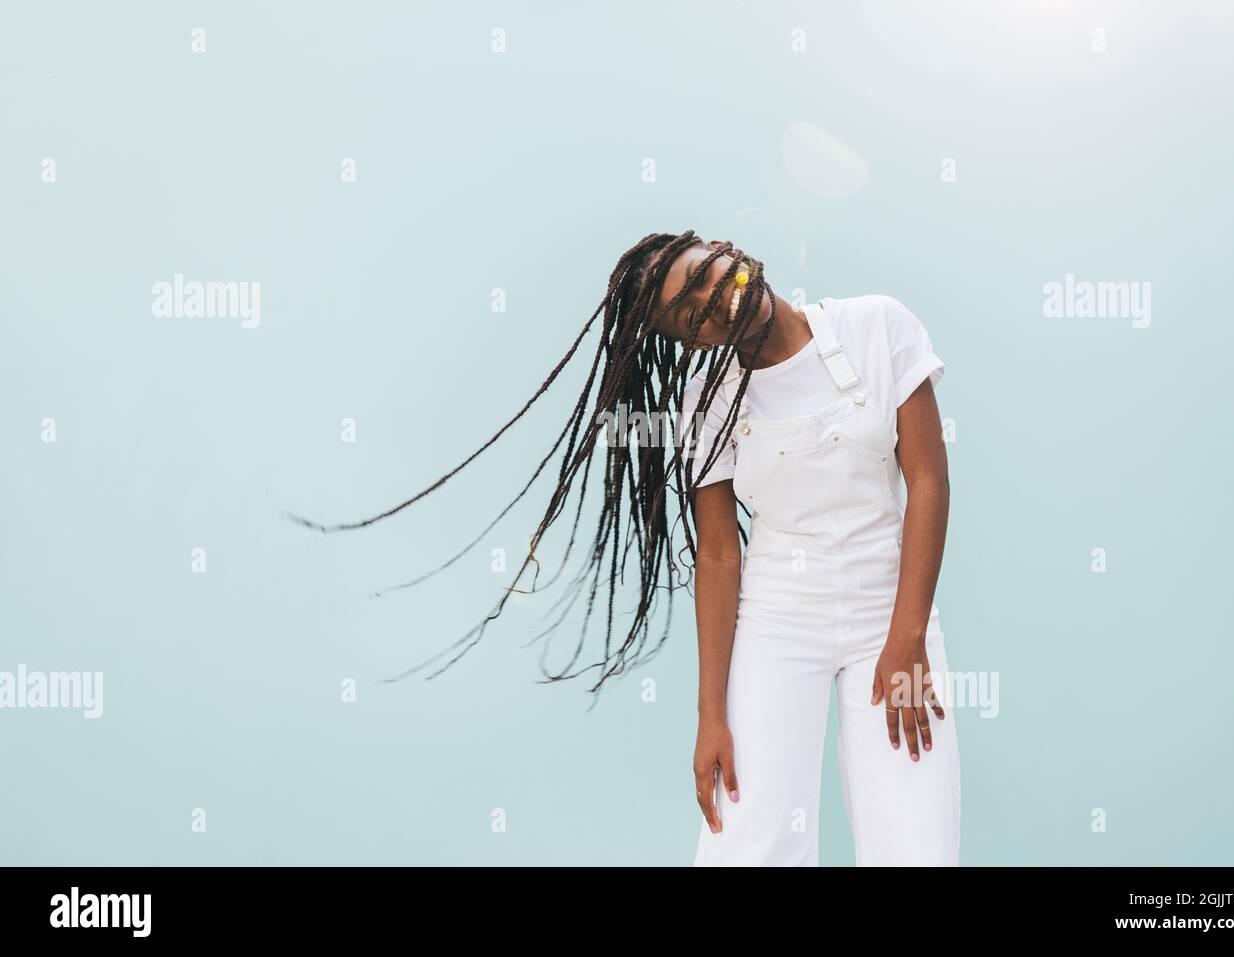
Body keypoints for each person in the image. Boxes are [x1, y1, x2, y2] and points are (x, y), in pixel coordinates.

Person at [288, 230, 959, 866]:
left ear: (724, 250)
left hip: (888, 611)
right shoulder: (707, 402)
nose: (711, 305)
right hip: (780, 619)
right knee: (747, 836)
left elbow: (927, 479)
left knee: (914, 832)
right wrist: (709, 717)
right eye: (689, 318)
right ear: (690, 344)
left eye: (702, 277)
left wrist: (906, 638)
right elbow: (720, 556)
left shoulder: (877, 326)